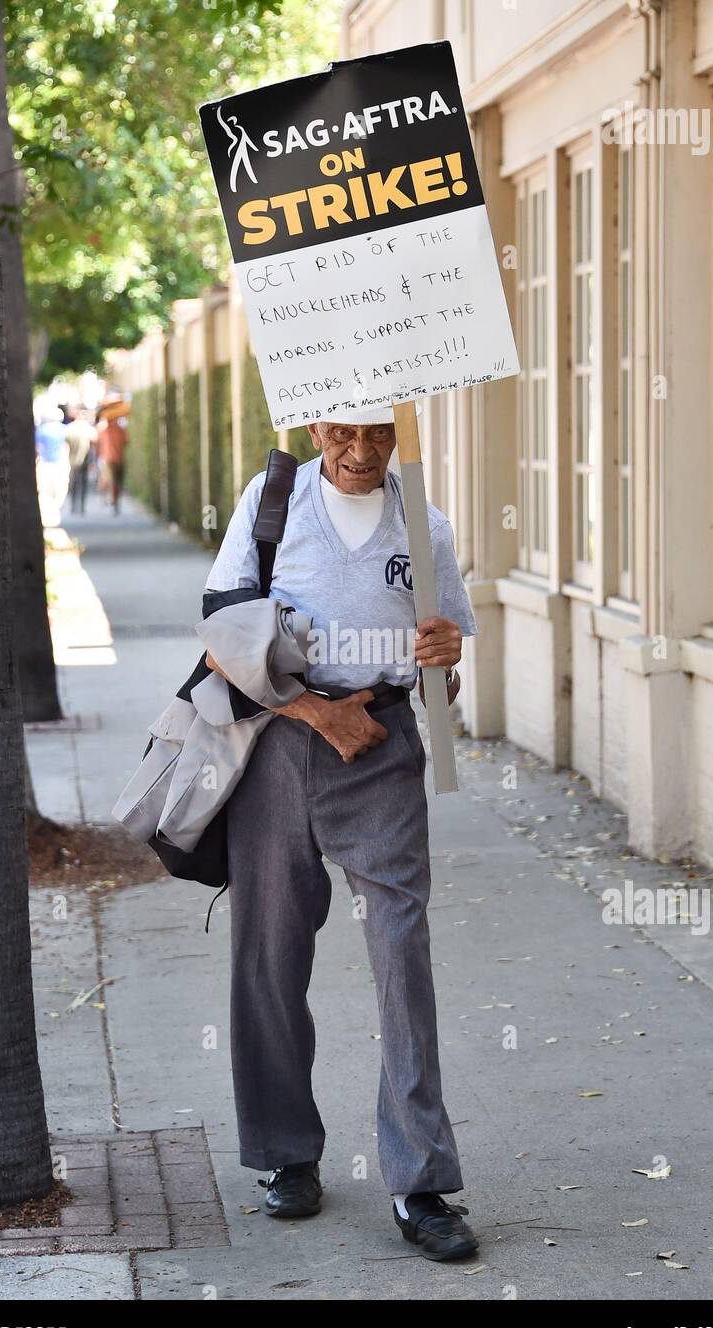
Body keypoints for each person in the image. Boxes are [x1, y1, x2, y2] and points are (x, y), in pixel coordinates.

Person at [203, 405, 480, 1262]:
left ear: (399, 435)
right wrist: (319, 715)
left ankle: (421, 1180)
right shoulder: (271, 502)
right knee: (271, 952)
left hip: (384, 752)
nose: (361, 453)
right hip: (279, 744)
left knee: (402, 950)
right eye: (342, 435)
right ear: (316, 428)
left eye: (380, 437)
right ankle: (287, 1157)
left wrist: (446, 660)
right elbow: (221, 639)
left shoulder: (425, 524)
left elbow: (447, 675)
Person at [65, 409, 97, 514]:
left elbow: (66, 443)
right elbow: (95, 440)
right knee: (83, 483)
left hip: (73, 460)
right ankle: (82, 507)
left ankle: (73, 507)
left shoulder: (70, 428)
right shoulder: (87, 428)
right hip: (84, 460)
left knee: (74, 483)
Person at [96, 416, 127, 513]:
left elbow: (97, 444)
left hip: (108, 459)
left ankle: (111, 498)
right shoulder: (121, 430)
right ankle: (115, 499)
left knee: (110, 480)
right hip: (119, 458)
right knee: (117, 481)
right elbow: (126, 442)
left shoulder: (103, 431)